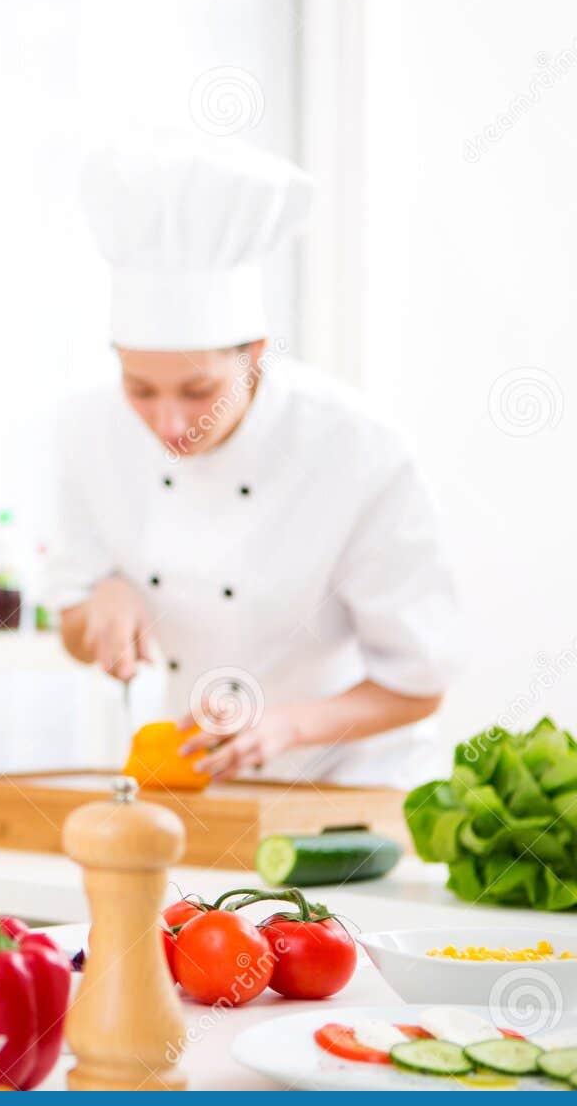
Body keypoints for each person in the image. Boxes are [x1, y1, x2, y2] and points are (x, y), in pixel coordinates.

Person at [52, 135, 455, 786]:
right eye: (141, 390)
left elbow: (419, 682)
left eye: (198, 390)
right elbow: (72, 622)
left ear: (256, 353)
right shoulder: (87, 430)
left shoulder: (355, 449)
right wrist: (100, 602)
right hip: (199, 787)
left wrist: (286, 726)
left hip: (345, 790)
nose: (169, 423)